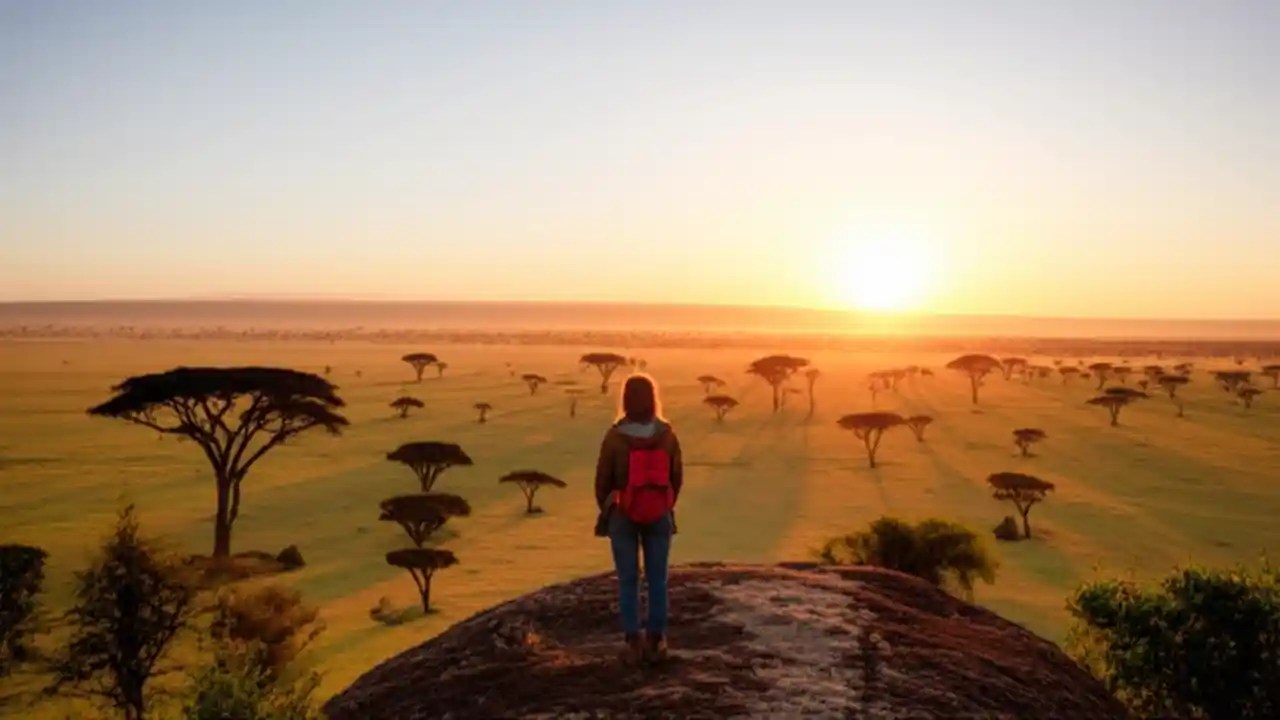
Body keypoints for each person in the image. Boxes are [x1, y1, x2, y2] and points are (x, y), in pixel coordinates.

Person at [594, 374, 683, 664]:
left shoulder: (615, 437)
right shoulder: (667, 434)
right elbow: (676, 478)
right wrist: (663, 504)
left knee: (628, 579)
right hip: (659, 514)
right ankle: (657, 639)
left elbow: (602, 481)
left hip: (623, 513)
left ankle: (633, 639)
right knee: (658, 579)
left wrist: (612, 508)